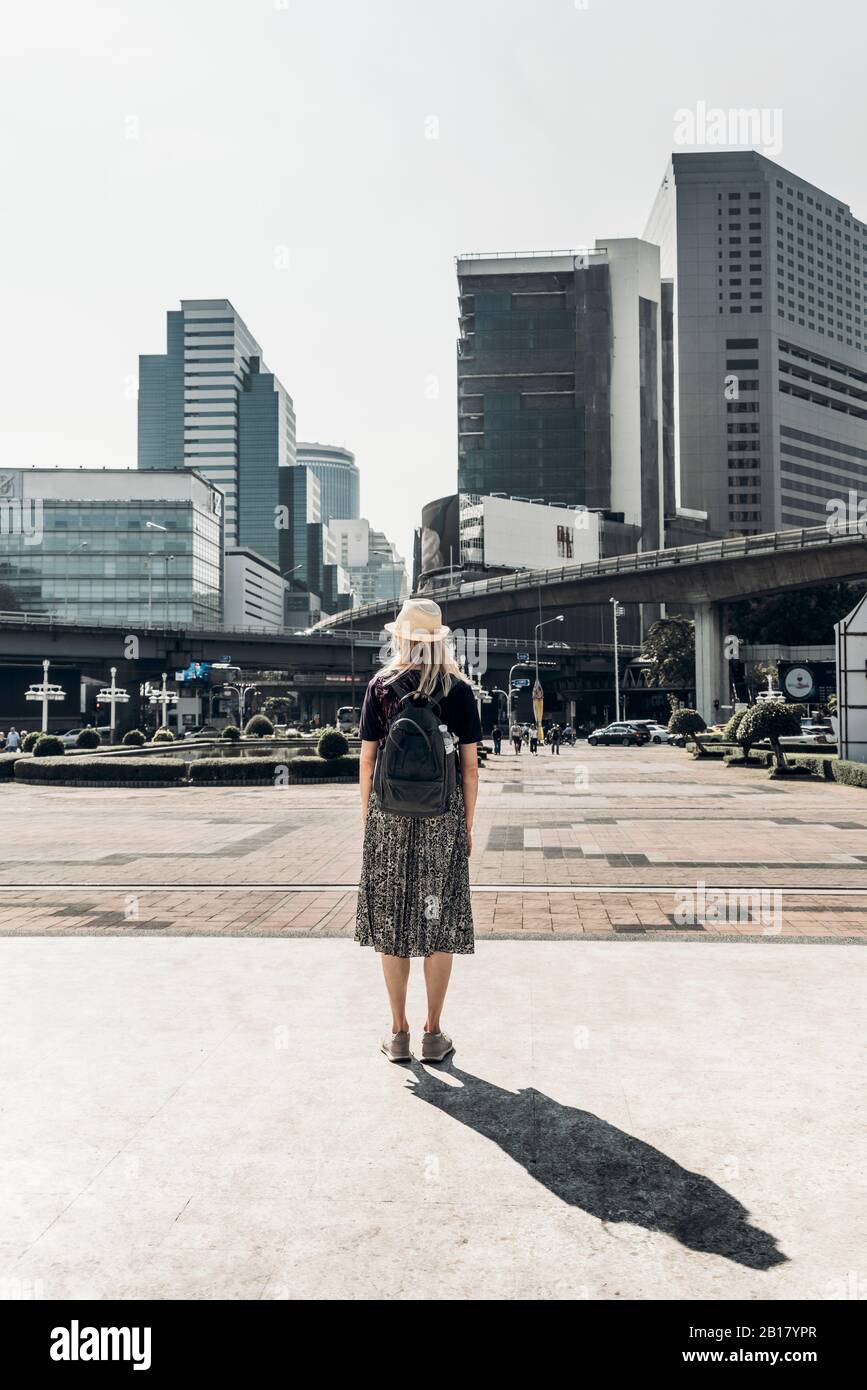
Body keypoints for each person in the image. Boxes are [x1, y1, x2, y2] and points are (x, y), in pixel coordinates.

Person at [356, 598, 481, 1064]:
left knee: (392, 922)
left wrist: (368, 820)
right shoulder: (459, 690)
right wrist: (465, 825)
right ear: (440, 640)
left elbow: (367, 759)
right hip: (442, 818)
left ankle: (398, 1032)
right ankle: (433, 1033)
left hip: (388, 817)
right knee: (438, 921)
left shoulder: (381, 687)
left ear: (402, 638)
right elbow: (469, 768)